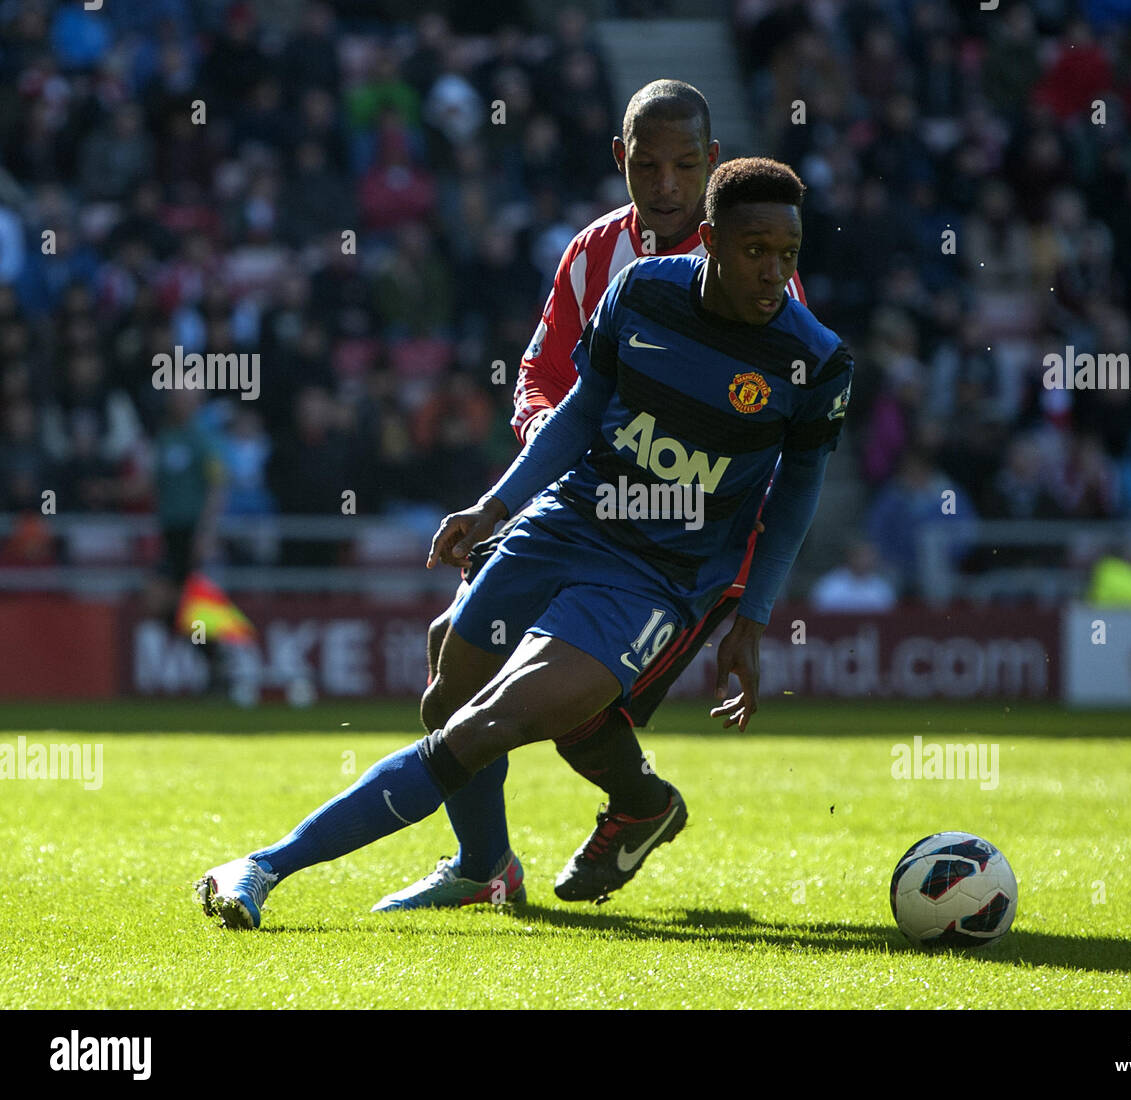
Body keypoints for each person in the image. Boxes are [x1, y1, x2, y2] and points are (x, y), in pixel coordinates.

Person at [195, 156, 853, 929]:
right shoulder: (642, 291)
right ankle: (487, 868)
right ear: (708, 240)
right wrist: (494, 506)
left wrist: (754, 615)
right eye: (754, 250)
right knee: (448, 688)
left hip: (657, 574)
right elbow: (579, 412)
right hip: (572, 519)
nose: (774, 271)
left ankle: (264, 867)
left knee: (489, 721)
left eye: (788, 253)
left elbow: (799, 489)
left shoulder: (815, 361)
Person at [374, 79, 805, 913]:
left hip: (687, 541)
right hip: (581, 505)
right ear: (622, 160)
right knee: (449, 648)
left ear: (714, 164)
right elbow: (540, 375)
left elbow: (792, 436)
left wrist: (752, 595)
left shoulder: (756, 277)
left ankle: (638, 805)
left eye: (686, 165)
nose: (668, 185)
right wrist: (544, 439)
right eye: (649, 165)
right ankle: (486, 862)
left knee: (572, 692)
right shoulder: (594, 252)